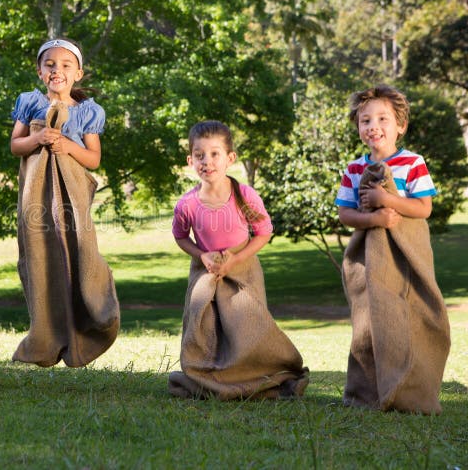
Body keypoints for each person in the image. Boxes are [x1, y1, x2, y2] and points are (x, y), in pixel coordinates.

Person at [168, 120, 309, 400]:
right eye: (199, 155)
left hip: (242, 273)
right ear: (190, 160)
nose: (207, 161)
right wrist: (201, 255)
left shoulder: (244, 196)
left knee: (247, 329)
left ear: (230, 158)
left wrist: (236, 259)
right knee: (206, 328)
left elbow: (264, 231)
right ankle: (212, 378)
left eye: (215, 154)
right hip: (207, 274)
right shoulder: (188, 204)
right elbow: (181, 236)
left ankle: (258, 375)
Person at [336, 84, 450, 414]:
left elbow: (423, 208)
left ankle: (412, 393)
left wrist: (386, 200)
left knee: (410, 318)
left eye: (383, 118)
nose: (374, 126)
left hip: (406, 258)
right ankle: (366, 394)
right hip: (371, 261)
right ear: (358, 128)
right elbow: (345, 215)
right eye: (365, 120)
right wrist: (373, 219)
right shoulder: (354, 169)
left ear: (400, 125)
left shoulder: (412, 162)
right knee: (370, 323)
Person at [9, 38, 119, 368]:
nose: (58, 70)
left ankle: (88, 325)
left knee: (78, 254)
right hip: (37, 196)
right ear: (40, 71)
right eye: (50, 65)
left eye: (66, 65)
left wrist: (67, 147)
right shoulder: (29, 102)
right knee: (41, 258)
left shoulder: (87, 111)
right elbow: (16, 145)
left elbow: (94, 158)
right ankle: (43, 336)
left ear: (79, 73)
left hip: (71, 197)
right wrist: (38, 139)